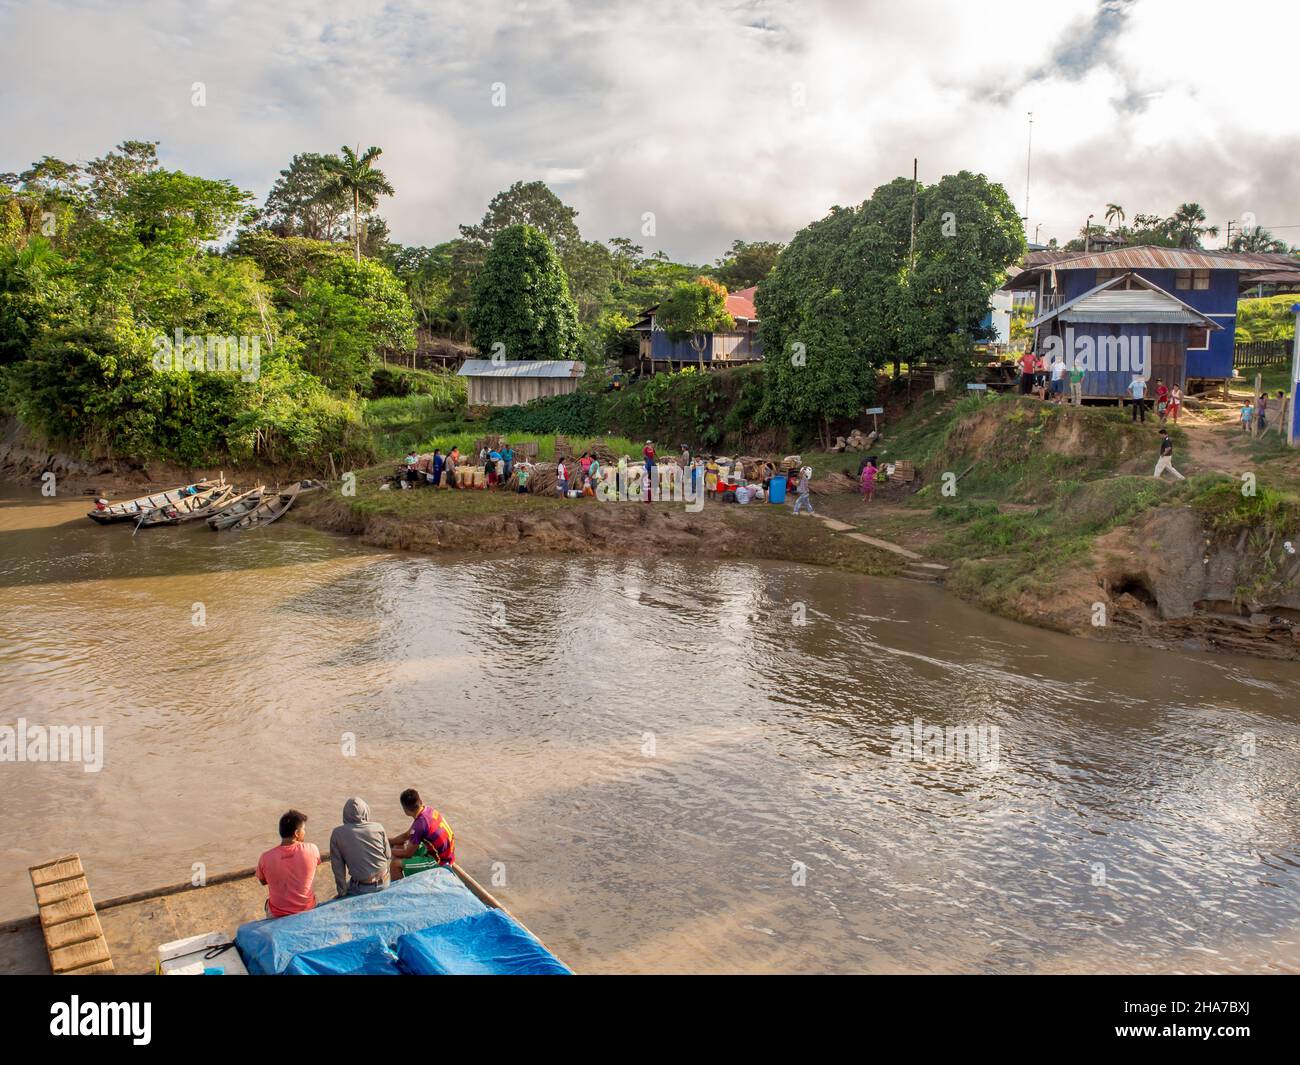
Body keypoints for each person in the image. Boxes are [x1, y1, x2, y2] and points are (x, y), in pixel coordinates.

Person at [256, 809, 322, 918]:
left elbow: (263, 881)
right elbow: (314, 865)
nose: (304, 832)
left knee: (268, 902)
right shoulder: (312, 849)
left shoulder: (265, 857)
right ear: (296, 833)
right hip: (308, 909)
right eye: (303, 829)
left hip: (278, 914)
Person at [329, 797, 391, 899]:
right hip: (385, 881)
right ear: (366, 811)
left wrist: (342, 893)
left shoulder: (337, 834)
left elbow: (338, 870)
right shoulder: (378, 827)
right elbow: (388, 855)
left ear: (345, 814)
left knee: (343, 891)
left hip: (361, 888)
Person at [389, 789, 455, 881]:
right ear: (420, 801)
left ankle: (399, 891)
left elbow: (408, 853)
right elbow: (406, 836)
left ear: (405, 811)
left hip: (440, 861)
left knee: (395, 864)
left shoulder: (420, 825)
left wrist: (387, 851)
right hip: (446, 852)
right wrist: (387, 841)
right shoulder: (428, 810)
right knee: (399, 846)